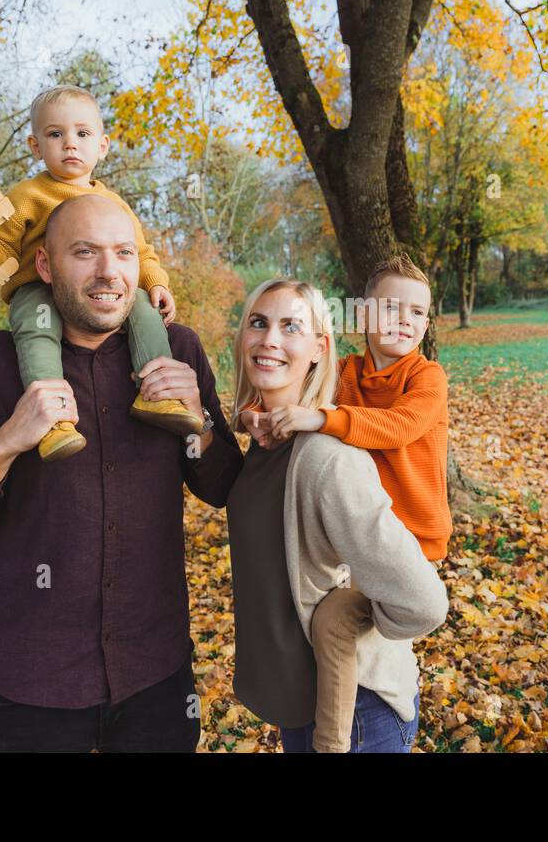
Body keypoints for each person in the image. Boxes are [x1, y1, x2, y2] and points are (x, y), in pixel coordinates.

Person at [0, 194, 243, 752]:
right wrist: (4, 444)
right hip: (30, 690)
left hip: (155, 679)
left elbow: (223, 487)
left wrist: (198, 423)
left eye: (123, 253)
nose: (109, 272)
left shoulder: (177, 349)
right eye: (85, 252)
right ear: (46, 267)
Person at [225, 278, 448, 753]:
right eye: (259, 323)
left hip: (361, 713)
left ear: (318, 346)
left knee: (337, 618)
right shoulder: (273, 435)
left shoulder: (330, 454)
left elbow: (424, 602)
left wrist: (368, 613)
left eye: (291, 327)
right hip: (299, 698)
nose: (270, 339)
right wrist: (246, 416)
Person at [0, 84, 199, 462]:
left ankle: (159, 393)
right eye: (56, 134)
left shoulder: (114, 204)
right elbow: (2, 241)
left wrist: (156, 282)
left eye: (82, 134)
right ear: (36, 146)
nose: (70, 144)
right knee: (38, 332)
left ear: (102, 145)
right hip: (37, 289)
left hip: (104, 296)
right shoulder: (27, 195)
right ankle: (53, 421)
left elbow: (141, 252)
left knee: (144, 311)